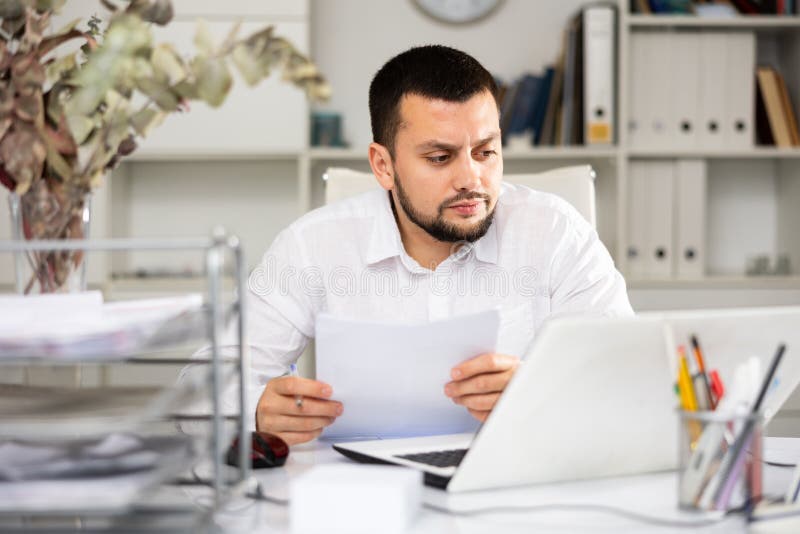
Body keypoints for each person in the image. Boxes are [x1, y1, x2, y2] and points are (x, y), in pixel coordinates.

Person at [248, 45, 632, 445]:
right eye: (439, 157)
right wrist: (256, 407)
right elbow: (207, 382)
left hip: (516, 480)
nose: (471, 178)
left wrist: (540, 390)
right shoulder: (313, 244)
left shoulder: (555, 231)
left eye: (485, 152)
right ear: (383, 165)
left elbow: (626, 375)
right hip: (366, 491)